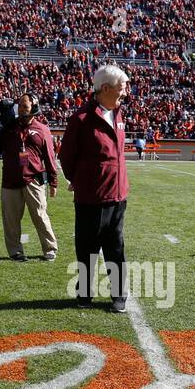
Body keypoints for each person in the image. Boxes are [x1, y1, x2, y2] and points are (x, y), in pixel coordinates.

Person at [60, 64, 129, 313]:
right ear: (105, 88)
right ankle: (84, 292)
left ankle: (119, 295)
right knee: (87, 248)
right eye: (122, 89)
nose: (125, 93)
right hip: (91, 198)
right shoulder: (81, 119)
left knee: (116, 248)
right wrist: (81, 180)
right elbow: (66, 157)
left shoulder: (120, 113)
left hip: (118, 195)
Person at [0, 93, 60, 262]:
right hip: (10, 180)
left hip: (33, 179)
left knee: (40, 216)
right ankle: (15, 251)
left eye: (25, 107)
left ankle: (50, 248)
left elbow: (49, 157)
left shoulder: (42, 129)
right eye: (19, 106)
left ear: (34, 108)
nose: (21, 109)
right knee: (11, 220)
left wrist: (53, 182)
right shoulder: (9, 126)